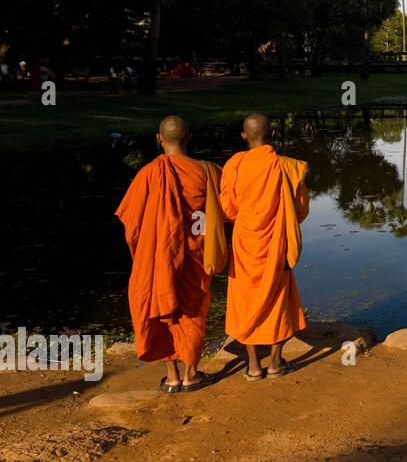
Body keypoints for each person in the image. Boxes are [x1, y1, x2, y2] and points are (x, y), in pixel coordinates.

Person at [114, 116, 227, 393]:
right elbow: (226, 212)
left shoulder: (148, 174)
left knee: (163, 306)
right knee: (192, 311)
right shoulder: (210, 172)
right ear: (189, 137)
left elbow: (131, 222)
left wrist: (150, 248)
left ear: (158, 138)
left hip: (160, 255)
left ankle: (173, 376)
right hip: (197, 255)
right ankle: (191, 374)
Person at [220, 113, 309, 380]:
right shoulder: (288, 167)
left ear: (244, 137)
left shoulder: (234, 165)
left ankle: (253, 366)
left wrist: (249, 216)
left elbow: (227, 209)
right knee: (277, 298)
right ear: (272, 135)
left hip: (245, 243)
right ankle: (275, 363)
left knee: (246, 299)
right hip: (276, 242)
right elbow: (300, 210)